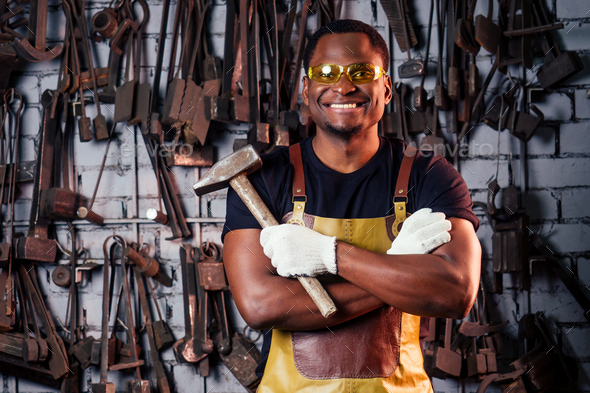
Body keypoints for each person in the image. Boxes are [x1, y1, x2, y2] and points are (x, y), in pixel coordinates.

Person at [222, 19, 481, 392]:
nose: (343, 86)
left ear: (387, 88)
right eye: (326, 72)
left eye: (361, 71)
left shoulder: (429, 176)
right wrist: (397, 268)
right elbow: (261, 306)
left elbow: (456, 293)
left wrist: (331, 256)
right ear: (306, 89)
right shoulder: (264, 180)